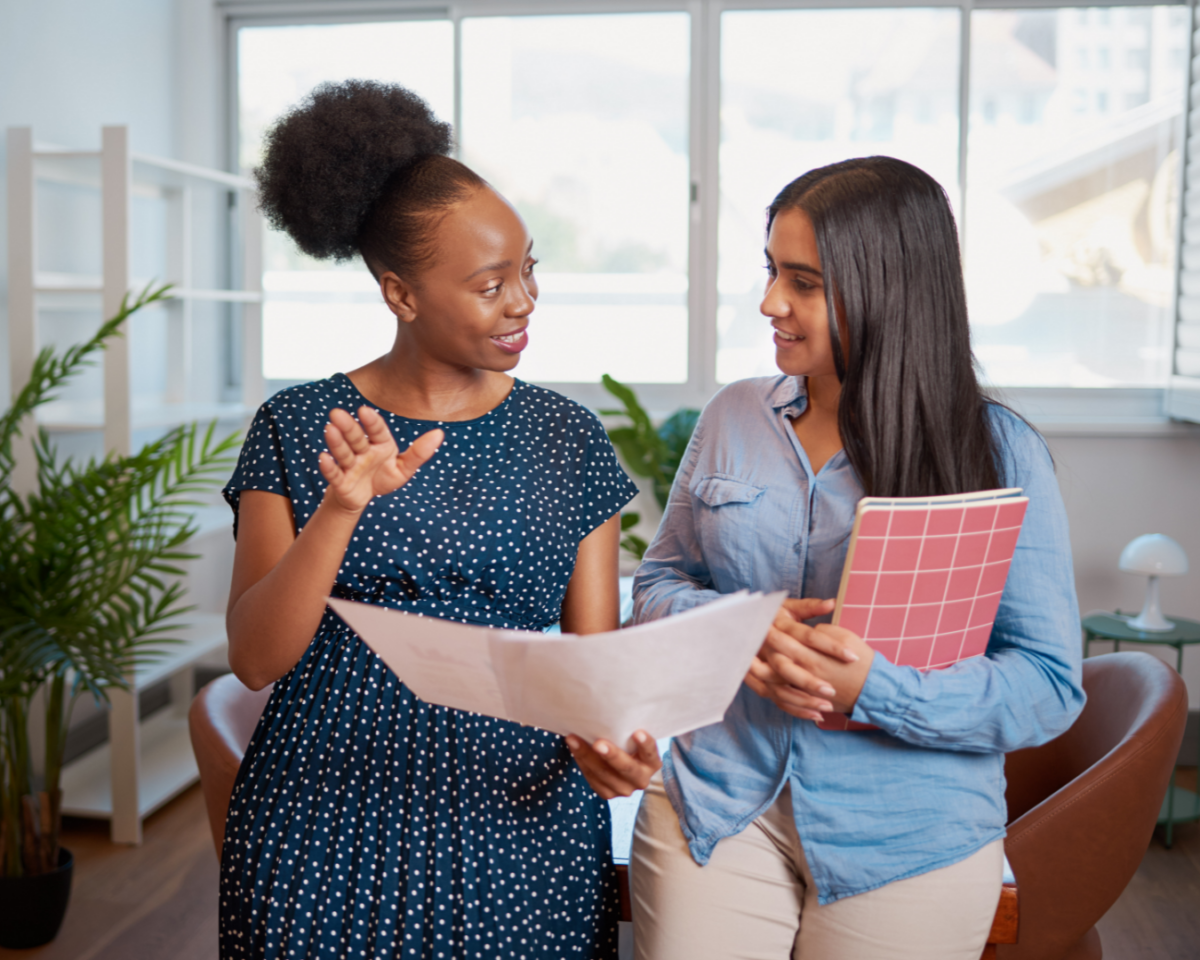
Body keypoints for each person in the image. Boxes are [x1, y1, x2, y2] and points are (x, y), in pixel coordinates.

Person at [219, 79, 659, 960]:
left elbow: (594, 674)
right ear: (401, 294)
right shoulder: (299, 426)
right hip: (326, 816)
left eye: (528, 269)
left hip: (521, 821)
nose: (523, 301)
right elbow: (256, 659)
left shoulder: (567, 438)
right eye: (491, 284)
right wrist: (341, 508)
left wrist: (613, 748)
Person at [629, 156, 1085, 960]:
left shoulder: (997, 452)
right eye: (771, 271)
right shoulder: (733, 416)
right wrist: (739, 626)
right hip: (721, 804)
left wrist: (875, 689)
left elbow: (1047, 684)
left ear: (888, 288)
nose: (770, 303)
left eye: (803, 282)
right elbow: (660, 584)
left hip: (911, 834)